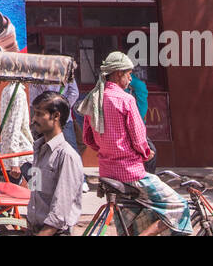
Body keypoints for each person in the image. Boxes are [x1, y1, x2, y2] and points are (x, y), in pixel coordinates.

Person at [80, 51, 193, 235]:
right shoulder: (125, 100)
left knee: (136, 213)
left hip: (107, 171)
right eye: (129, 74)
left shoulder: (94, 98)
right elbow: (139, 138)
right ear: (118, 74)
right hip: (130, 172)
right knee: (179, 206)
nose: (130, 79)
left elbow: (88, 138)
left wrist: (106, 149)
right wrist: (146, 152)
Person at [26, 91, 84, 234]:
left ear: (56, 116)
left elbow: (60, 212)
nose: (34, 119)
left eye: (40, 114)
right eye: (35, 113)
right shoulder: (39, 150)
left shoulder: (67, 156)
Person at [0, 80, 34, 182]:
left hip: (9, 150)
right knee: (38, 186)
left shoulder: (6, 90)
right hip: (21, 151)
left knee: (13, 191)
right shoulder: (19, 93)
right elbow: (14, 126)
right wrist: (15, 161)